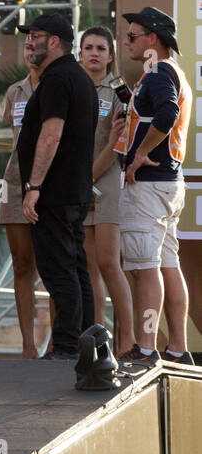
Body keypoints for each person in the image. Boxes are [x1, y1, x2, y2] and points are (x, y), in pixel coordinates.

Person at [15, 12, 98, 361]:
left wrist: (34, 185)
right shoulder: (76, 78)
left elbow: (52, 133)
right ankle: (89, 343)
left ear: (54, 41)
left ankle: (66, 347)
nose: (28, 42)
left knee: (59, 270)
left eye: (34, 35)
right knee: (76, 269)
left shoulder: (57, 79)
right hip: (72, 192)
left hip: (56, 194)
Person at [115, 7, 193, 366]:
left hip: (149, 185)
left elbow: (166, 114)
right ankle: (177, 348)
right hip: (169, 183)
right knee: (166, 264)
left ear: (153, 40)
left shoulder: (159, 71)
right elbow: (158, 113)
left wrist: (139, 154)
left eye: (132, 35)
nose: (126, 41)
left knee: (145, 268)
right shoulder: (170, 72)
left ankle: (146, 348)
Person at [77, 27, 134, 357]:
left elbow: (119, 143)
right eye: (88, 47)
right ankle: (98, 341)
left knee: (110, 263)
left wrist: (88, 179)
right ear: (80, 53)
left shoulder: (118, 91)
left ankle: (127, 342)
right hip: (79, 182)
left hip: (106, 180)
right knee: (88, 267)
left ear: (111, 55)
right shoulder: (72, 86)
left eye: (101, 48)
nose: (94, 53)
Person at [0, 61, 44, 358]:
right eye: (26, 44)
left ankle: (56, 343)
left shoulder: (60, 84)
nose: (30, 48)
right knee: (21, 264)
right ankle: (28, 345)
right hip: (14, 180)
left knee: (53, 266)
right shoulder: (15, 91)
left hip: (51, 181)